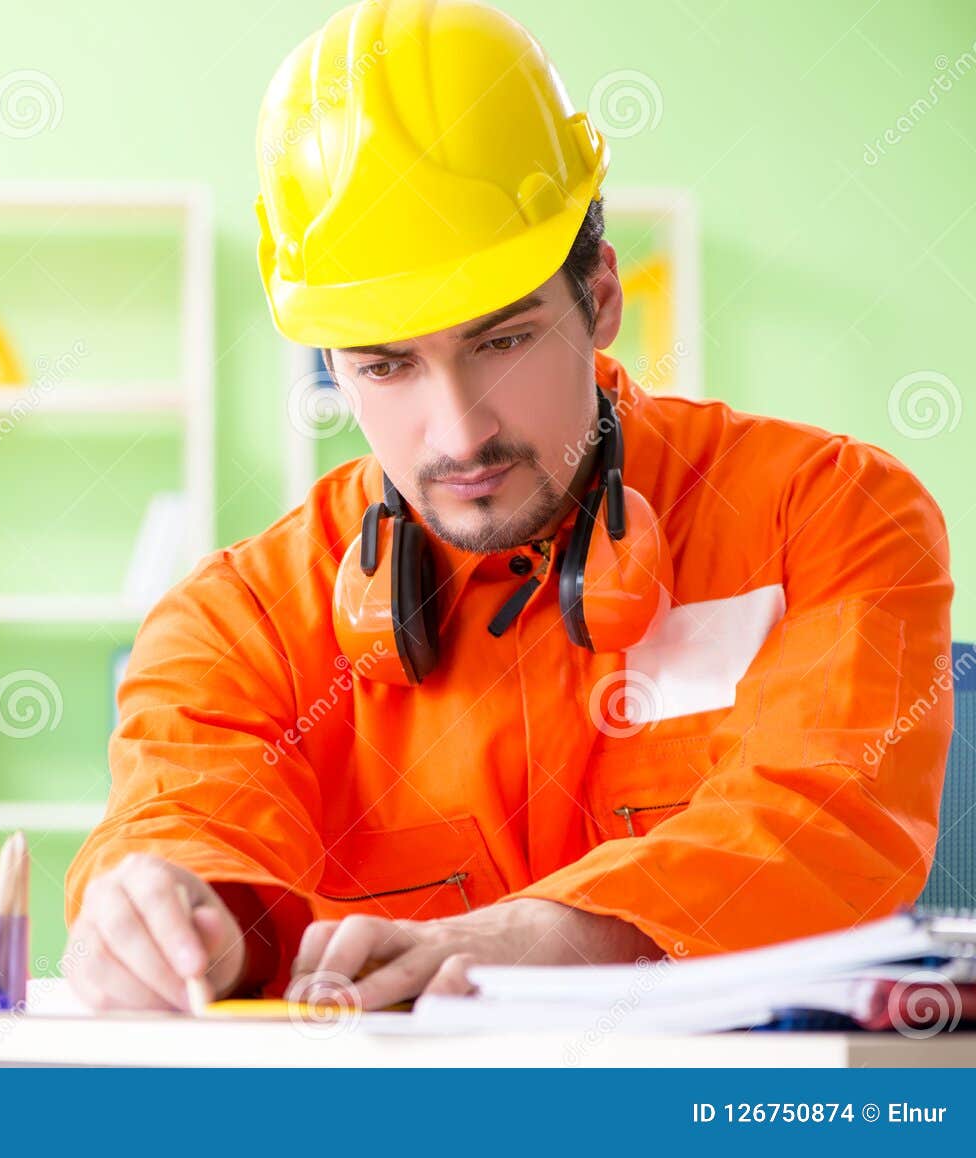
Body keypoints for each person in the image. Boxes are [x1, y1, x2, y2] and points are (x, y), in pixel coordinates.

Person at [63, 0, 954, 1013]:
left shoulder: (829, 516)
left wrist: (561, 934)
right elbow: (174, 821)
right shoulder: (240, 623)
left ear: (602, 296)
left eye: (502, 340)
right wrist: (166, 922)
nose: (457, 435)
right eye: (386, 365)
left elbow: (829, 818)